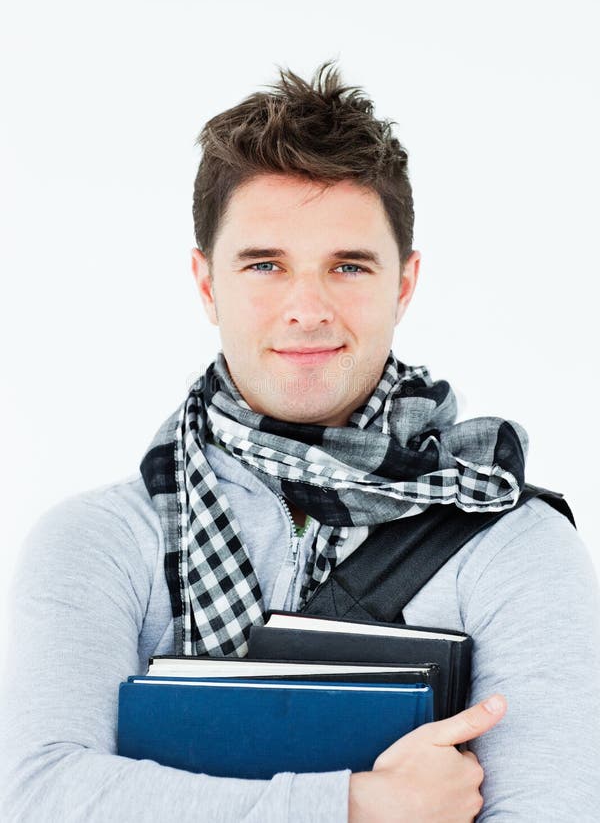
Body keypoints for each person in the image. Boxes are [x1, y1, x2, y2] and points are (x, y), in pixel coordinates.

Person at [1, 61, 599, 823]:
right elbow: (38, 797)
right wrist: (353, 806)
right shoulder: (97, 543)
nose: (307, 308)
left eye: (348, 266)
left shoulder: (515, 547)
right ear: (207, 282)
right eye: (265, 265)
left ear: (405, 283)